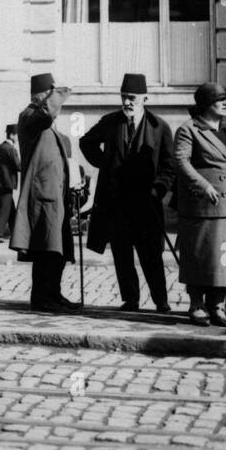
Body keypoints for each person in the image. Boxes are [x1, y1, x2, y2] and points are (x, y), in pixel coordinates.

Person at [79, 72, 175, 313]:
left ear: (145, 99)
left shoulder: (160, 127)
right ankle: (130, 299)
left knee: (151, 254)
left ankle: (161, 300)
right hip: (117, 203)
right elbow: (86, 142)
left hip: (147, 204)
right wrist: (105, 164)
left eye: (132, 97)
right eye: (123, 97)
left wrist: (158, 190)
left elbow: (169, 166)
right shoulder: (110, 122)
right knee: (122, 254)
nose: (127, 102)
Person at [173, 82, 226, 326]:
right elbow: (181, 161)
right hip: (204, 205)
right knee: (200, 255)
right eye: (219, 99)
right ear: (206, 104)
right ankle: (197, 304)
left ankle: (217, 304)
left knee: (225, 257)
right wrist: (204, 185)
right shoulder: (189, 129)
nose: (225, 103)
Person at [11, 72, 77, 314]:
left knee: (57, 250)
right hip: (41, 195)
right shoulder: (29, 116)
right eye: (49, 94)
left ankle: (54, 294)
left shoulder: (45, 120)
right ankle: (41, 298)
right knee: (44, 248)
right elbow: (47, 113)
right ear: (40, 95)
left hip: (55, 195)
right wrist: (59, 92)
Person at [0, 125, 20, 243]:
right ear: (11, 135)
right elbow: (18, 166)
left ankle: (16, 233)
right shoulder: (11, 149)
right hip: (7, 183)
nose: (18, 138)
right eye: (17, 135)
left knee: (10, 208)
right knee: (4, 208)